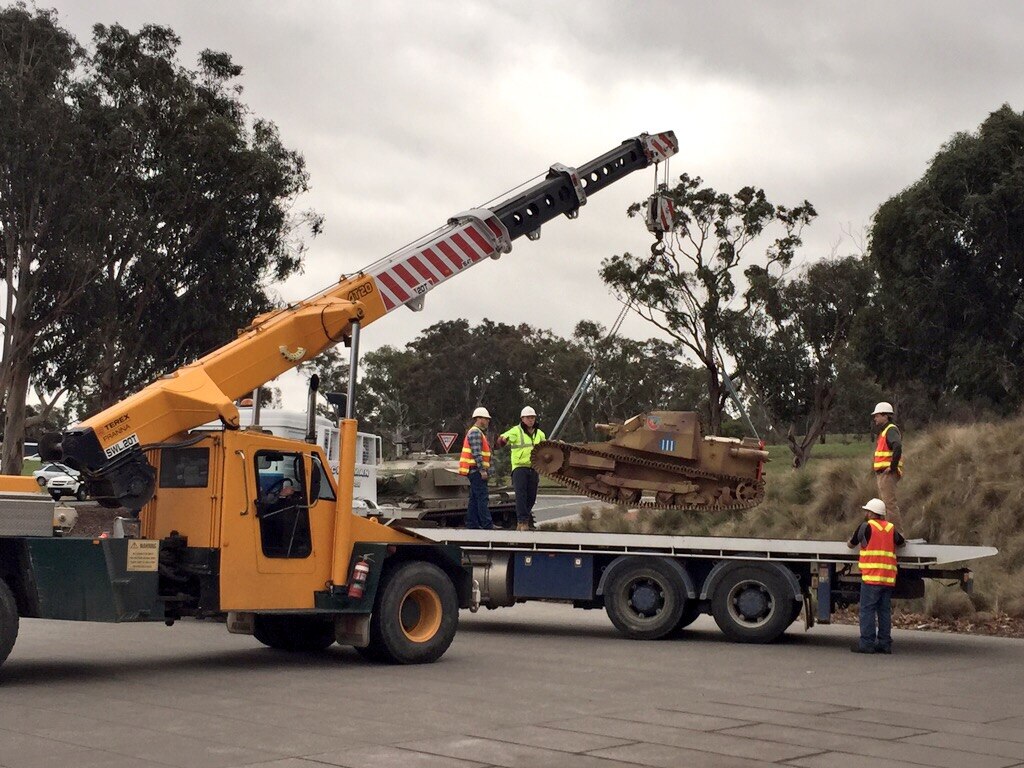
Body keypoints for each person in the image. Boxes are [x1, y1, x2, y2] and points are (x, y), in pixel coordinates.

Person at [847, 497, 906, 654]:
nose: (866, 513)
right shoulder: (890, 528)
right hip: (887, 578)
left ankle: (867, 643)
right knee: (884, 611)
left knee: (867, 610)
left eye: (867, 511)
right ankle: (885, 644)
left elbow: (851, 544)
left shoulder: (866, 527)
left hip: (871, 577)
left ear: (872, 513)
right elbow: (902, 543)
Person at [496, 406, 546, 531]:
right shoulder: (516, 431)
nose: (531, 420)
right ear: (522, 419)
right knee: (521, 496)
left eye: (532, 417)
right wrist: (502, 440)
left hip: (533, 468)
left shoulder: (540, 434)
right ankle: (522, 521)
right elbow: (503, 439)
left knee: (531, 497)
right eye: (528, 417)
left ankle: (524, 520)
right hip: (519, 468)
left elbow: (546, 448)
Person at [458, 406, 493, 530]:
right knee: (482, 498)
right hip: (476, 471)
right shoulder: (475, 432)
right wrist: (482, 470)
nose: (488, 421)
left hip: (473, 470)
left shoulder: (477, 432)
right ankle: (487, 524)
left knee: (474, 499)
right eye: (486, 419)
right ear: (479, 419)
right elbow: (476, 453)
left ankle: (472, 523)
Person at [871, 401, 904, 529]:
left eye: (877, 415)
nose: (875, 418)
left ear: (885, 416)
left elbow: (897, 446)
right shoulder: (885, 431)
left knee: (889, 505)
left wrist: (893, 467)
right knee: (885, 506)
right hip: (883, 473)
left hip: (887, 473)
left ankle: (896, 534)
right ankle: (887, 532)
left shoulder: (890, 430)